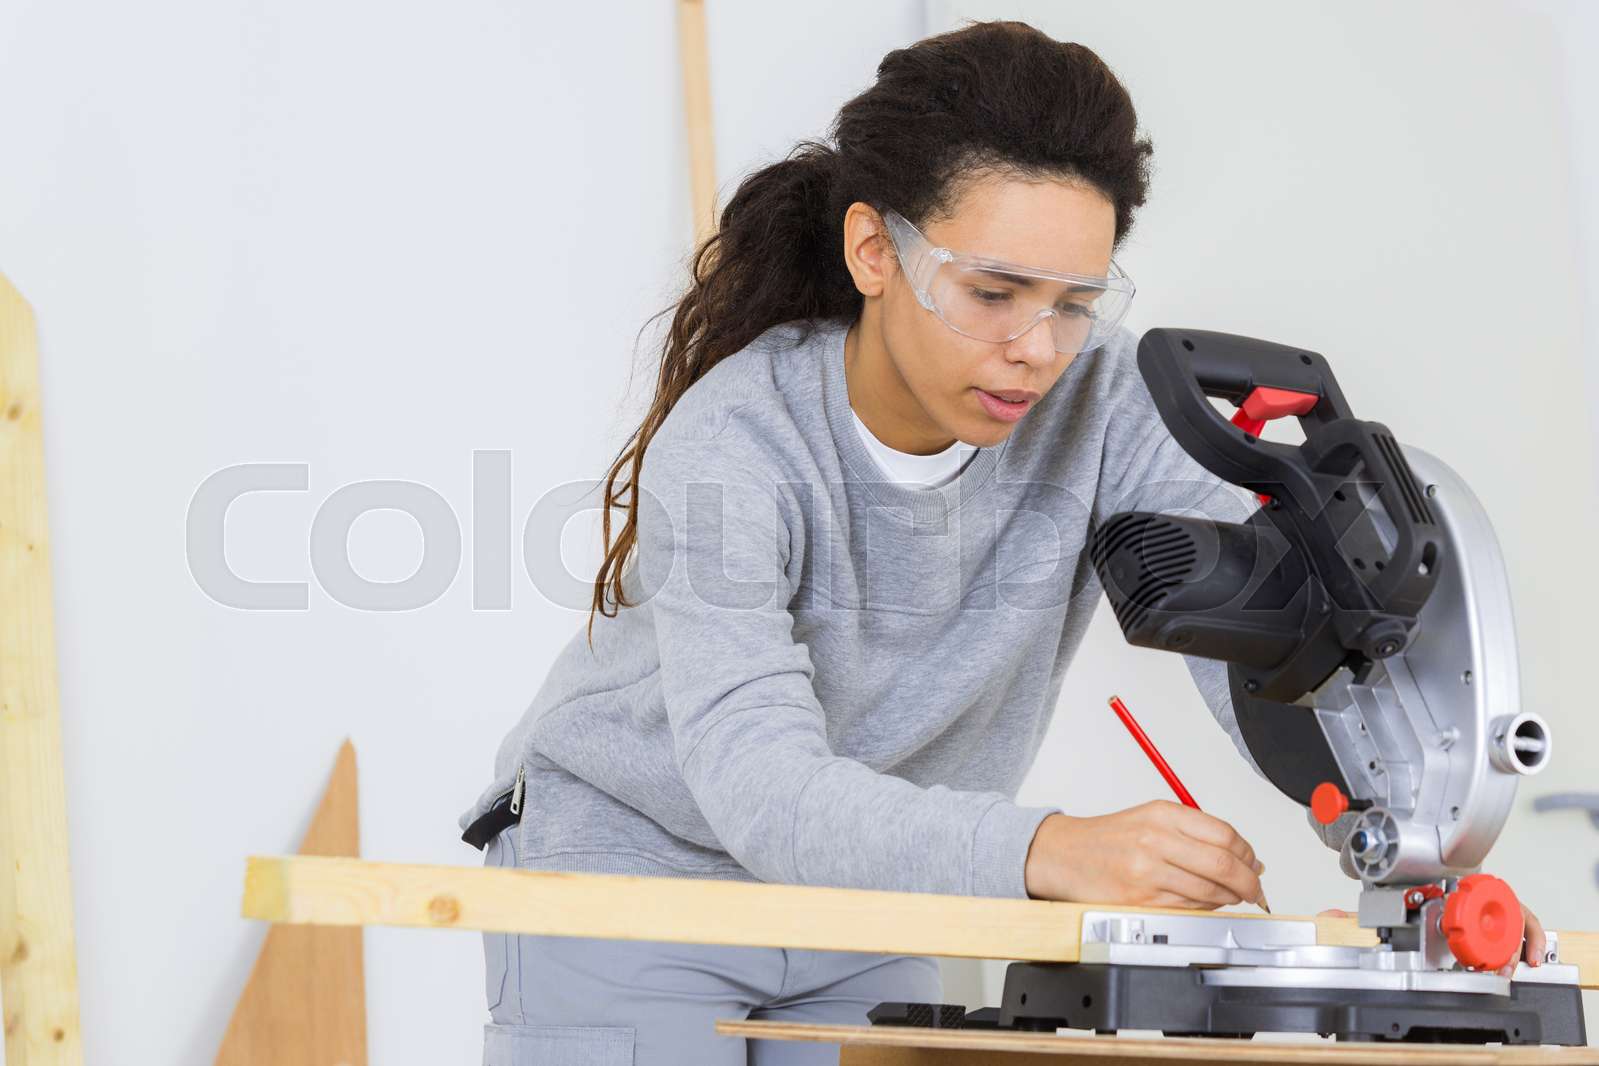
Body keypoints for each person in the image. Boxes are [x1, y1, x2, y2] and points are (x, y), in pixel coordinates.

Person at [458, 19, 1545, 1065]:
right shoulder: (738, 439)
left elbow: (1260, 644)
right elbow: (761, 783)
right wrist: (1047, 848)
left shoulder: (1105, 401)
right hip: (635, 875)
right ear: (875, 249)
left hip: (871, 890)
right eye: (992, 293)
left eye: (1076, 301)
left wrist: (1419, 850)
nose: (1036, 350)